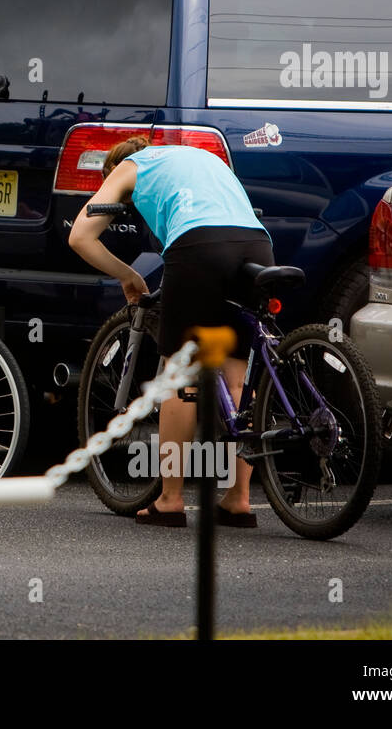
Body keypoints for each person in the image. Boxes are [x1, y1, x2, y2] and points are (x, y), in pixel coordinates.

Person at [67, 137, 272, 528]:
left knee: (178, 372)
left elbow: (80, 236)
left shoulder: (131, 168)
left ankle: (170, 499)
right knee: (238, 379)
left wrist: (128, 274)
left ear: (115, 168)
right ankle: (239, 499)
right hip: (256, 243)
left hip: (199, 245)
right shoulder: (199, 155)